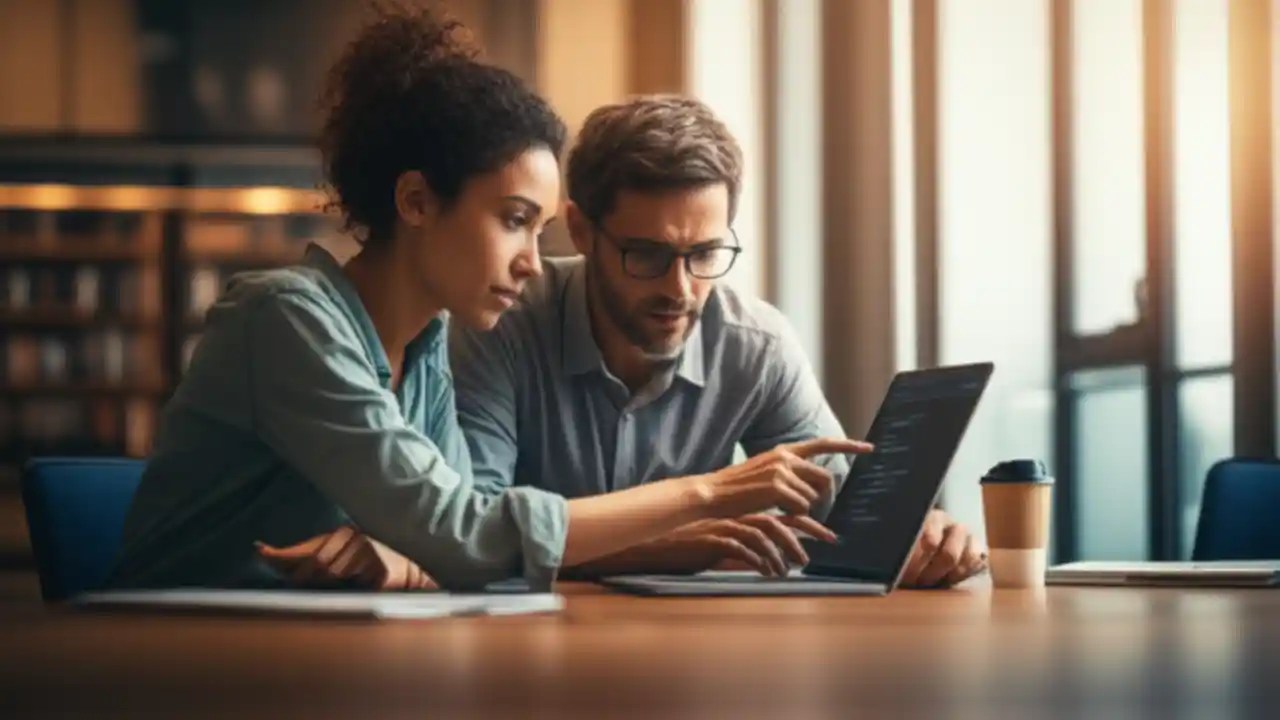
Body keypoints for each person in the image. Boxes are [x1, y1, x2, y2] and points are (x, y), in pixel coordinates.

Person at [108, 7, 868, 593]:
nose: (535, 265)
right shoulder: (288, 318)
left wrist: (413, 556)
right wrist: (708, 492)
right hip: (164, 660)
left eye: (539, 231)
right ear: (415, 201)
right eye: (513, 222)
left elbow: (458, 546)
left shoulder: (429, 351)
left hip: (294, 654)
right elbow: (465, 530)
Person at [450, 95, 987, 588]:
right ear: (581, 230)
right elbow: (466, 530)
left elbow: (843, 517)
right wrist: (651, 546)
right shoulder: (502, 325)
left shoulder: (756, 344)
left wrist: (915, 536)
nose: (679, 289)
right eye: (647, 255)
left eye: (706, 253)